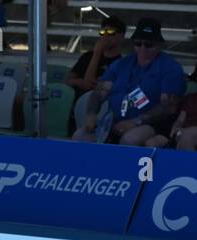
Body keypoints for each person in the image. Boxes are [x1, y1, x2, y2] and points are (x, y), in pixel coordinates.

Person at [72, 18, 186, 146]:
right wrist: (91, 114)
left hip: (153, 124)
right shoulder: (122, 64)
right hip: (115, 120)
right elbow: (100, 91)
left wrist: (135, 122)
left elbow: (168, 107)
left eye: (148, 45)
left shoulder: (170, 67)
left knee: (130, 139)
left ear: (159, 45)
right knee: (80, 136)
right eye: (138, 44)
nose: (142, 48)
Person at [65, 17, 126, 101]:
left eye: (110, 32)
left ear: (121, 36)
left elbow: (89, 85)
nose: (105, 36)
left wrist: (97, 53)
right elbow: (67, 81)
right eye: (102, 32)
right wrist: (78, 82)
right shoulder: (87, 56)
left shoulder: (121, 64)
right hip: (76, 103)